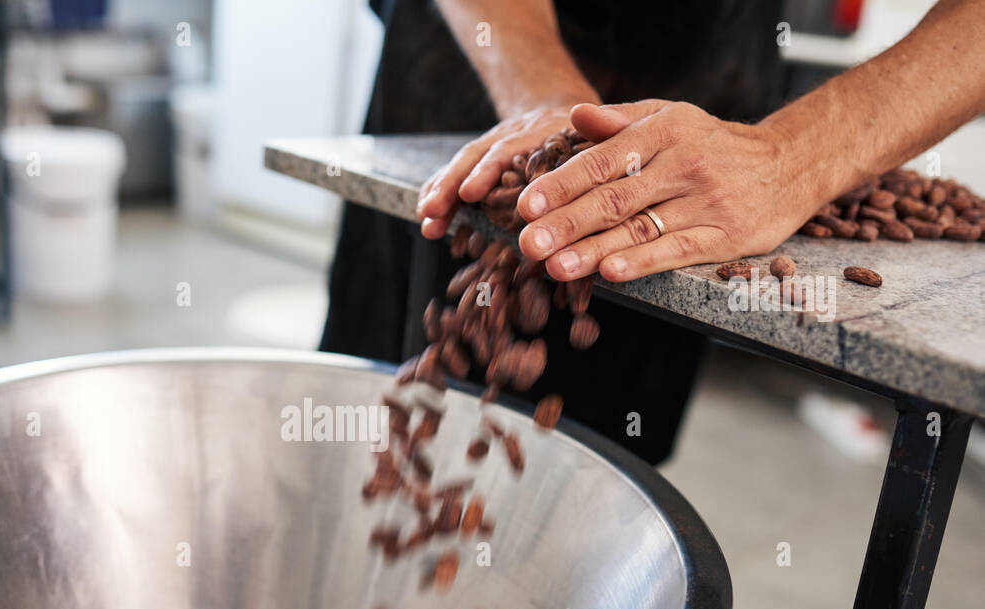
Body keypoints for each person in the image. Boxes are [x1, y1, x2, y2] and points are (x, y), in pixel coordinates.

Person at [323, 0, 985, 464]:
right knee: (389, 394)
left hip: (700, 71)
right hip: (484, 49)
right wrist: (542, 97)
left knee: (600, 458)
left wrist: (794, 158)